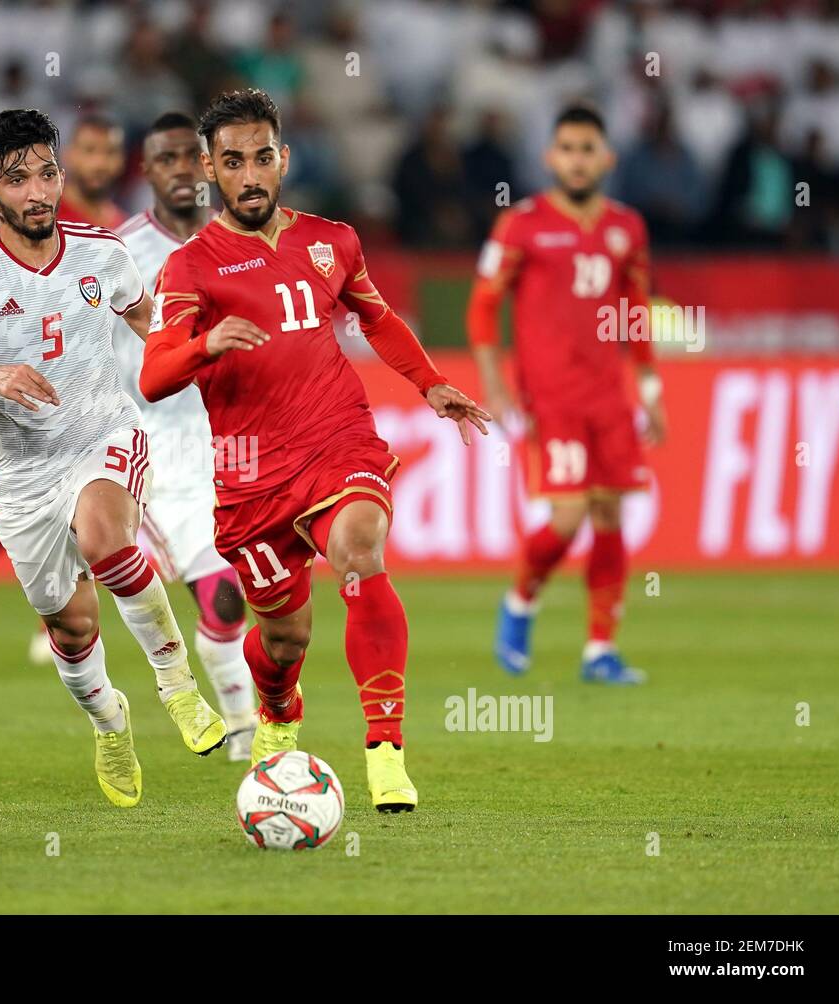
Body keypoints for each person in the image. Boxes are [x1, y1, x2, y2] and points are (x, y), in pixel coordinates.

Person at [140, 89, 490, 812]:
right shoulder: (191, 268)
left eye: (262, 157)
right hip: (251, 477)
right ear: (210, 169)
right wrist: (208, 343)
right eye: (232, 162)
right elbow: (153, 375)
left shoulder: (333, 240)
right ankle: (277, 710)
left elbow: (377, 316)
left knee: (362, 552)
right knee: (285, 637)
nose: (251, 175)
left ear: (284, 158)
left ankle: (385, 750)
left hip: (338, 440)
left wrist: (430, 385)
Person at [0, 109, 227, 808]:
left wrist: (205, 358)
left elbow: (152, 325)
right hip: (22, 474)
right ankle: (110, 722)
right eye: (17, 179)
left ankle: (177, 687)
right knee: (71, 625)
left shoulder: (102, 252)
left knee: (106, 537)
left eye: (47, 173)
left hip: (104, 436)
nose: (38, 192)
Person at [466, 104, 666, 685]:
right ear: (551, 157)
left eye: (588, 149)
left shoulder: (627, 227)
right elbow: (483, 305)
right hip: (550, 395)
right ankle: (521, 600)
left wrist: (650, 389)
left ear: (607, 158)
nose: (578, 160)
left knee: (609, 512)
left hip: (608, 395)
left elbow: (635, 314)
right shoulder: (523, 224)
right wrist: (494, 383)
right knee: (569, 513)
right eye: (568, 149)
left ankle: (600, 650)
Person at [114, 111, 257, 762]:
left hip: (242, 439)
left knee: (272, 600)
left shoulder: (246, 240)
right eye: (163, 158)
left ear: (206, 167)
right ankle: (245, 730)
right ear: (146, 171)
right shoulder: (119, 255)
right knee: (224, 597)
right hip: (166, 450)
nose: (177, 169)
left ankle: (255, 721)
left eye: (186, 157)